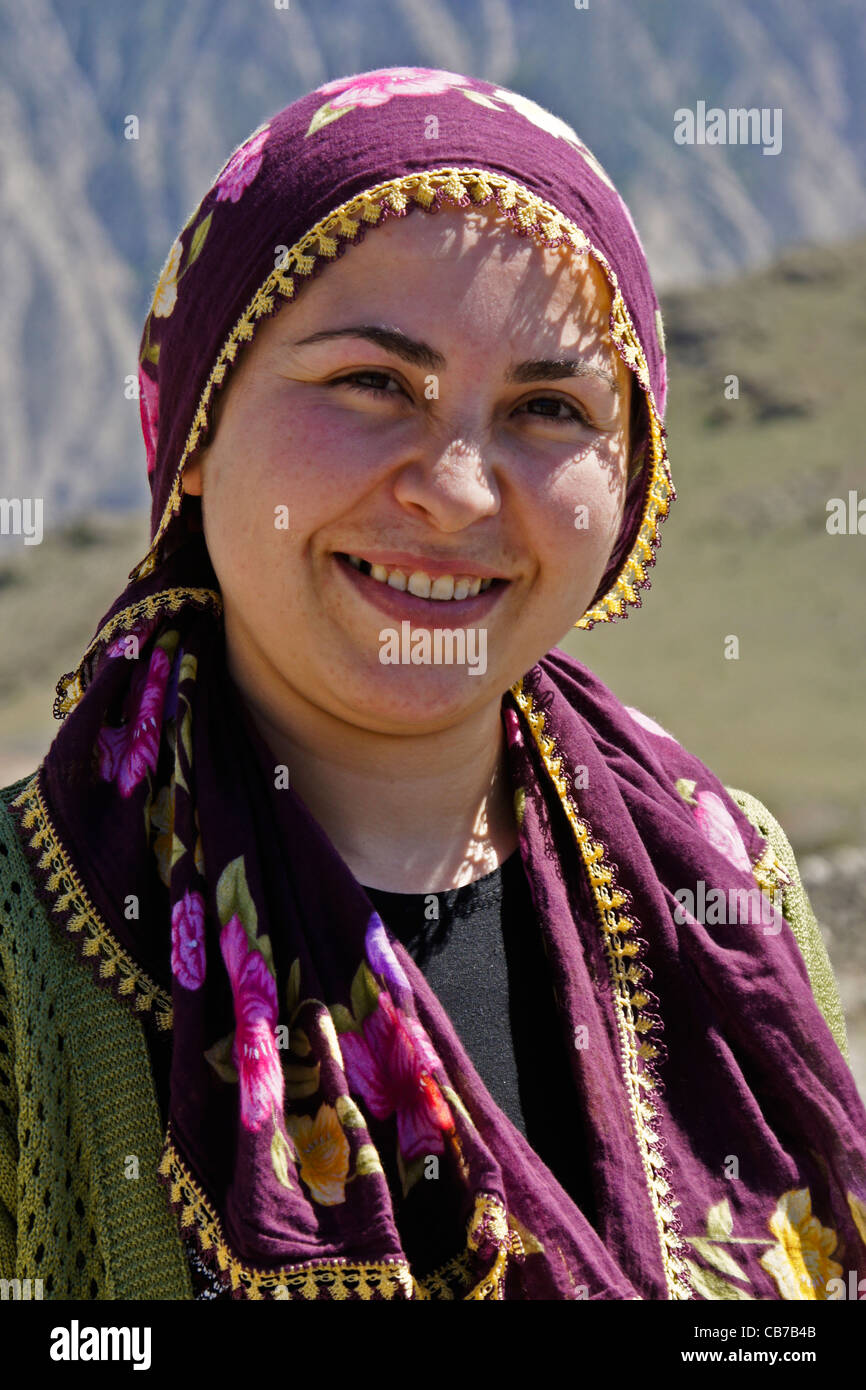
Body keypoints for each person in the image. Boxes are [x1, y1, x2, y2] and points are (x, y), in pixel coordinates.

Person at [1, 66, 864, 1302]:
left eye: (549, 407)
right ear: (194, 427)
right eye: (370, 383)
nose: (456, 490)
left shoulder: (728, 883)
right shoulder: (26, 956)